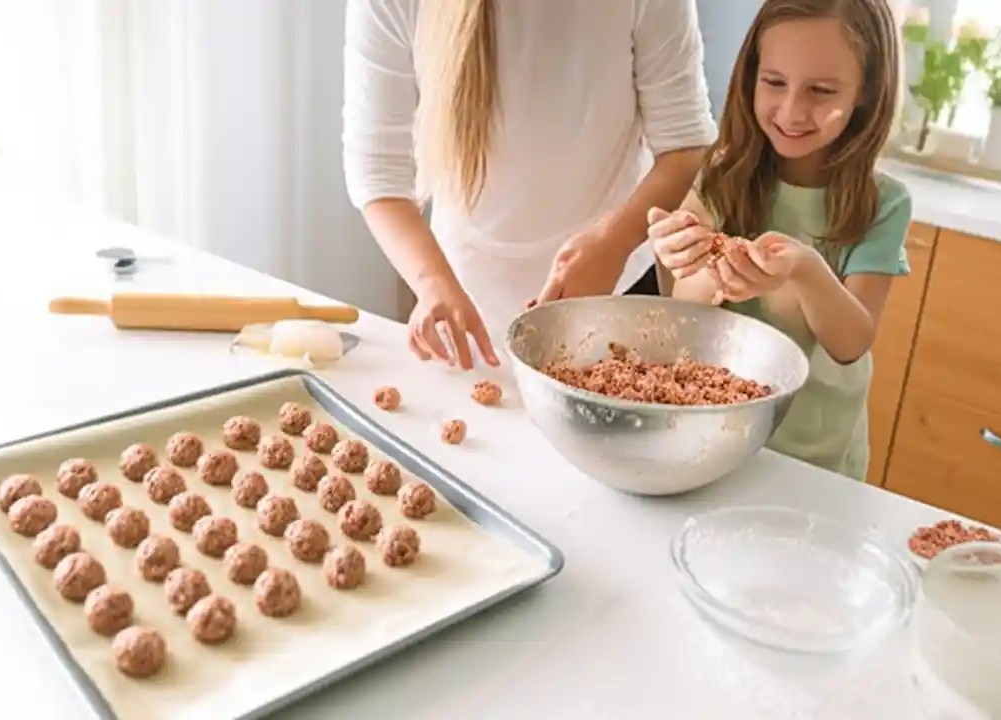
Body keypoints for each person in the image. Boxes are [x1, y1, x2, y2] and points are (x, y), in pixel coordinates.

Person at [342, 0, 716, 369]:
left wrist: (612, 244)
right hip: (465, 308)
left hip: (618, 294)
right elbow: (377, 171)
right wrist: (432, 283)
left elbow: (686, 148)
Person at [649, 0, 911, 481]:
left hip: (816, 452)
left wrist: (806, 270)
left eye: (821, 91)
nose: (792, 111)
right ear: (751, 75)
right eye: (774, 83)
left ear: (867, 93)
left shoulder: (883, 203)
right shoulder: (722, 173)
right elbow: (685, 309)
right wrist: (688, 259)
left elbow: (851, 341)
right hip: (714, 433)